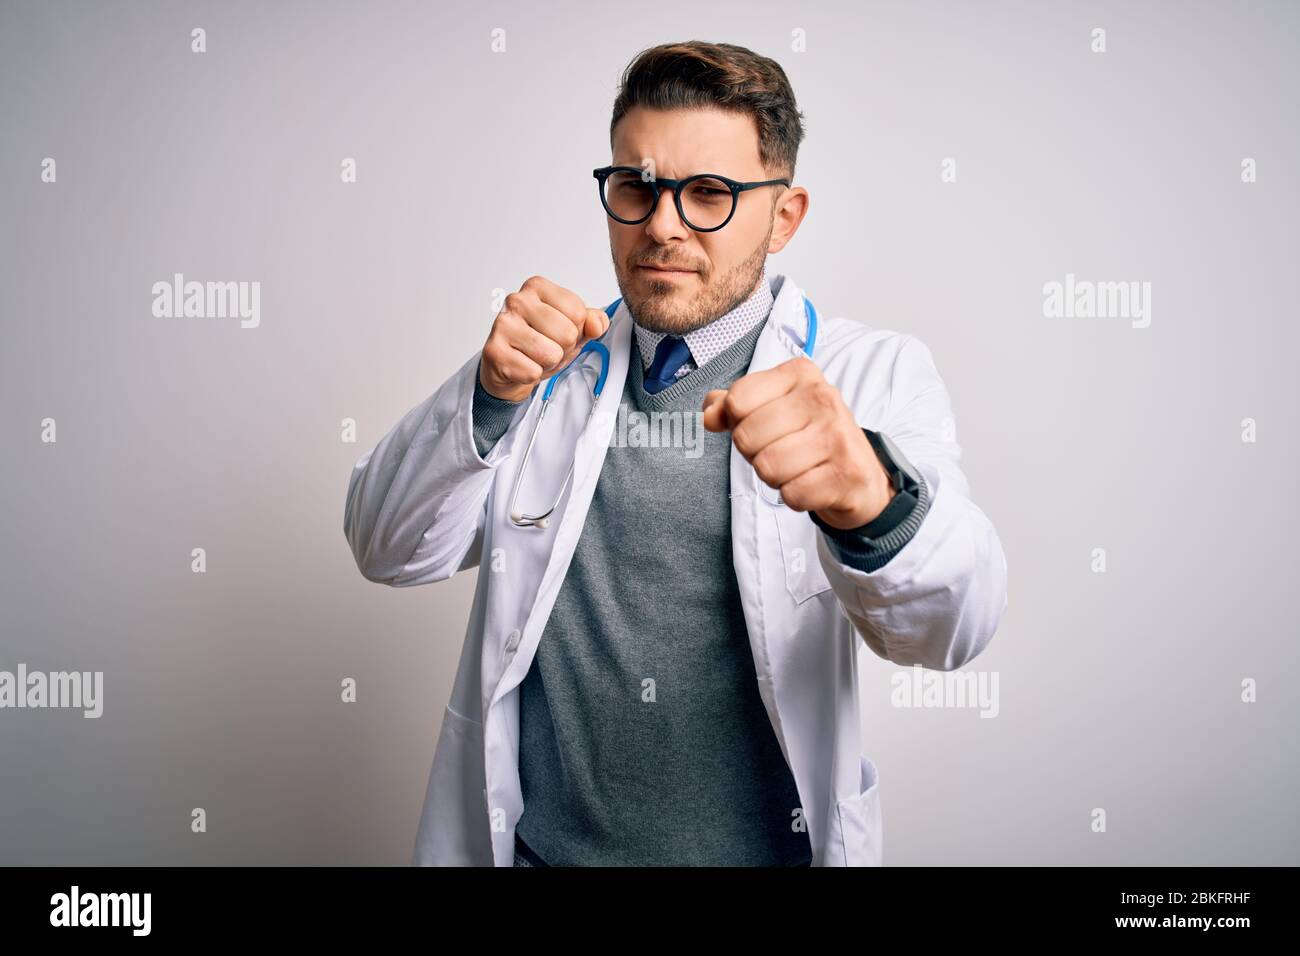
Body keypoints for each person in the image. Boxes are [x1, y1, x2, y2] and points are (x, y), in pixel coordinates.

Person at [344, 40, 1008, 867]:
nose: (662, 226)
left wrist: (875, 503)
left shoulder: (866, 376)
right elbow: (386, 546)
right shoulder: (550, 364)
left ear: (785, 214)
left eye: (709, 194)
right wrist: (486, 397)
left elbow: (955, 628)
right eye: (637, 187)